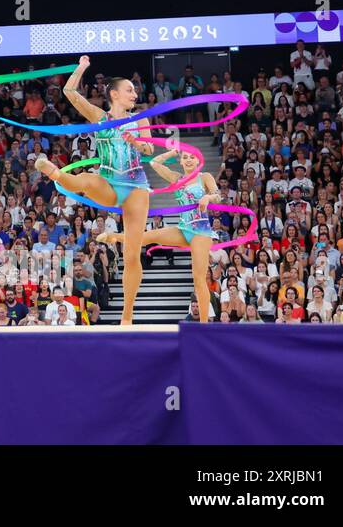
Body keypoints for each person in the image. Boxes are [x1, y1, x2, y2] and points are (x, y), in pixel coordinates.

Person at [34, 56, 158, 325]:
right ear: (113, 94)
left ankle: (127, 314)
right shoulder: (99, 117)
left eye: (135, 91)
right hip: (109, 183)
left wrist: (137, 143)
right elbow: (69, 92)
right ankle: (55, 172)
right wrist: (81, 68)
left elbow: (150, 150)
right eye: (129, 90)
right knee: (88, 178)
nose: (135, 94)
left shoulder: (140, 120)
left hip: (136, 188)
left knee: (133, 254)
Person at [102, 139, 220, 323]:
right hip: (183, 228)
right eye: (185, 158)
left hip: (201, 232)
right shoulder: (176, 178)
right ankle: (117, 237)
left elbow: (219, 196)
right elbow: (154, 163)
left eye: (192, 158)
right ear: (181, 161)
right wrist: (172, 153)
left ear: (198, 161)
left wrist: (207, 196)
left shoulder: (204, 177)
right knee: (147, 237)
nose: (188, 160)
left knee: (198, 278)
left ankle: (204, 324)